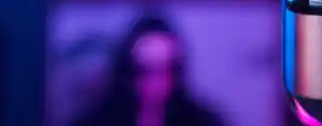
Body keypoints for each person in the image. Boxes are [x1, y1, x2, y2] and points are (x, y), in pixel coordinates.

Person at [75, 15, 223, 126]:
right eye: (145, 71)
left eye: (166, 70)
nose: (156, 82)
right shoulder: (95, 122)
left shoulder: (204, 122)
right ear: (128, 71)